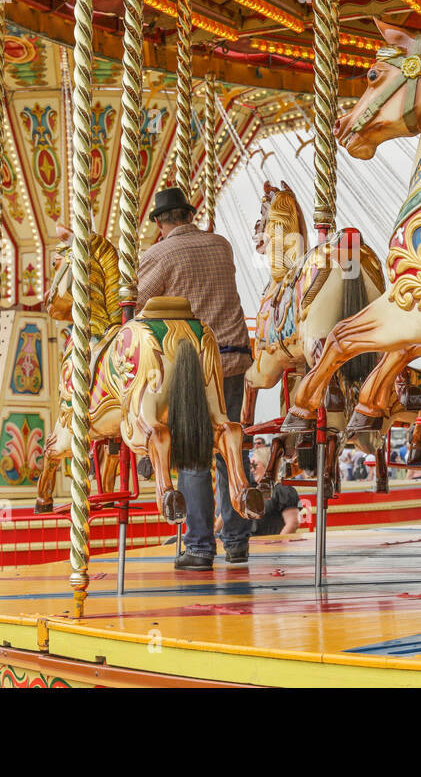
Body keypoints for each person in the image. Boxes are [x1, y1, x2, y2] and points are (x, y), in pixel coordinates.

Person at [135, 187, 254, 571]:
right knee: (231, 446)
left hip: (192, 363)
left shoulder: (159, 253)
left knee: (193, 456)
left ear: (159, 223)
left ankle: (200, 547)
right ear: (189, 214)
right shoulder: (221, 245)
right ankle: (237, 543)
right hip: (233, 356)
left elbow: (134, 302)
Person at [250, 451, 300, 536]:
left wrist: (277, 544)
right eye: (250, 466)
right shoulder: (253, 490)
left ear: (267, 465)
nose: (252, 469)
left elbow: (293, 523)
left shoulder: (282, 489)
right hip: (254, 545)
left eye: (255, 465)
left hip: (274, 546)